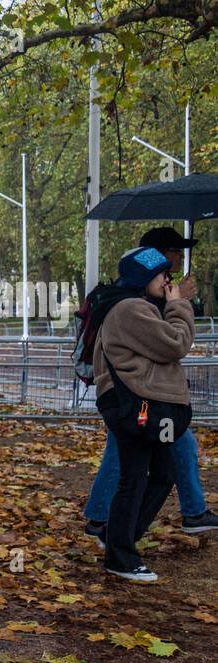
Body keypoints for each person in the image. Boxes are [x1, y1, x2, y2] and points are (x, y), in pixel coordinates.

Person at [83, 226, 217, 538]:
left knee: (169, 454)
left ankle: (117, 526)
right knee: (135, 463)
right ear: (157, 257)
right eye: (174, 252)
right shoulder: (134, 303)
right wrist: (179, 302)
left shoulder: (137, 296)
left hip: (141, 398)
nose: (177, 260)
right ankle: (110, 528)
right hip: (138, 399)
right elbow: (171, 341)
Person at [93, 246, 195, 582]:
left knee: (163, 472)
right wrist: (179, 304)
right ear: (143, 275)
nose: (168, 280)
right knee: (134, 477)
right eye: (163, 273)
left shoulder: (135, 306)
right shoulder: (130, 309)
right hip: (139, 408)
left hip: (149, 408)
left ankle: (116, 537)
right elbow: (176, 342)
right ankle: (120, 556)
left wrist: (169, 304)